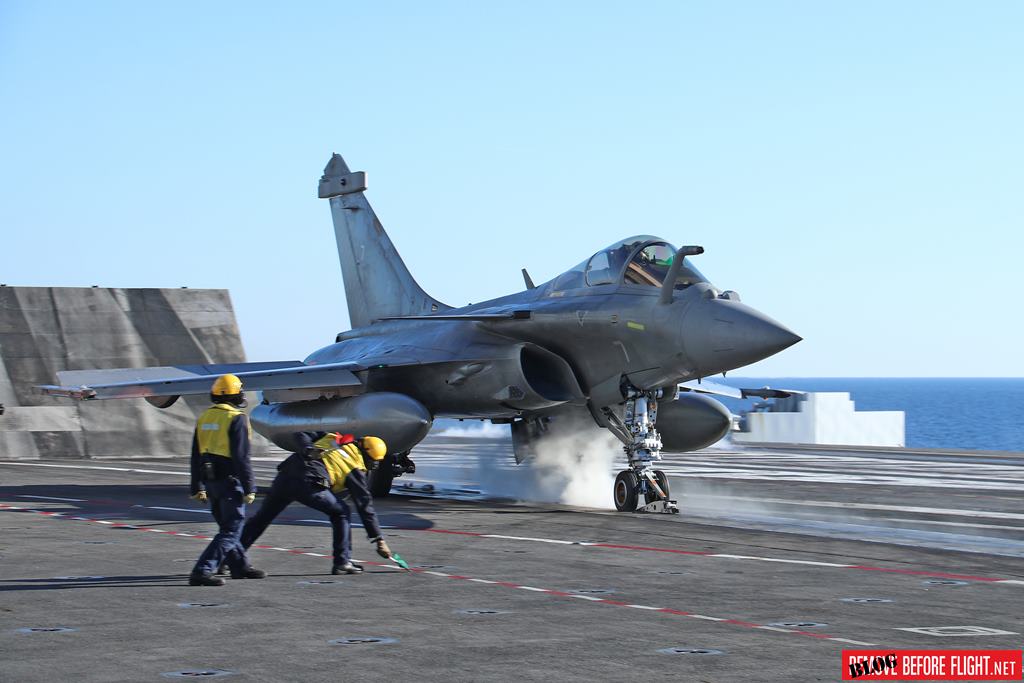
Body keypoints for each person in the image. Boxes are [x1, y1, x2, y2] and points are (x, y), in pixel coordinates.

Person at [240, 431, 394, 575]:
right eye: (373, 462)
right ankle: (342, 561)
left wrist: (308, 448)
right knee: (341, 512)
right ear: (366, 454)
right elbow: (365, 506)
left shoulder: (333, 437)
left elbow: (300, 434)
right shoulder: (356, 467)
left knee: (261, 519)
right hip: (309, 484)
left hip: (286, 476)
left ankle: (230, 559)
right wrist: (378, 538)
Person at [188, 373, 267, 586]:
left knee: (227, 527)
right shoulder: (236, 418)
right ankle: (202, 571)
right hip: (230, 482)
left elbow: (196, 454)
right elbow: (241, 456)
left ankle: (240, 566)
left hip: (211, 481)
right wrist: (250, 486)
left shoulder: (205, 417)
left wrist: (196, 485)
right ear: (236, 395)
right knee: (231, 529)